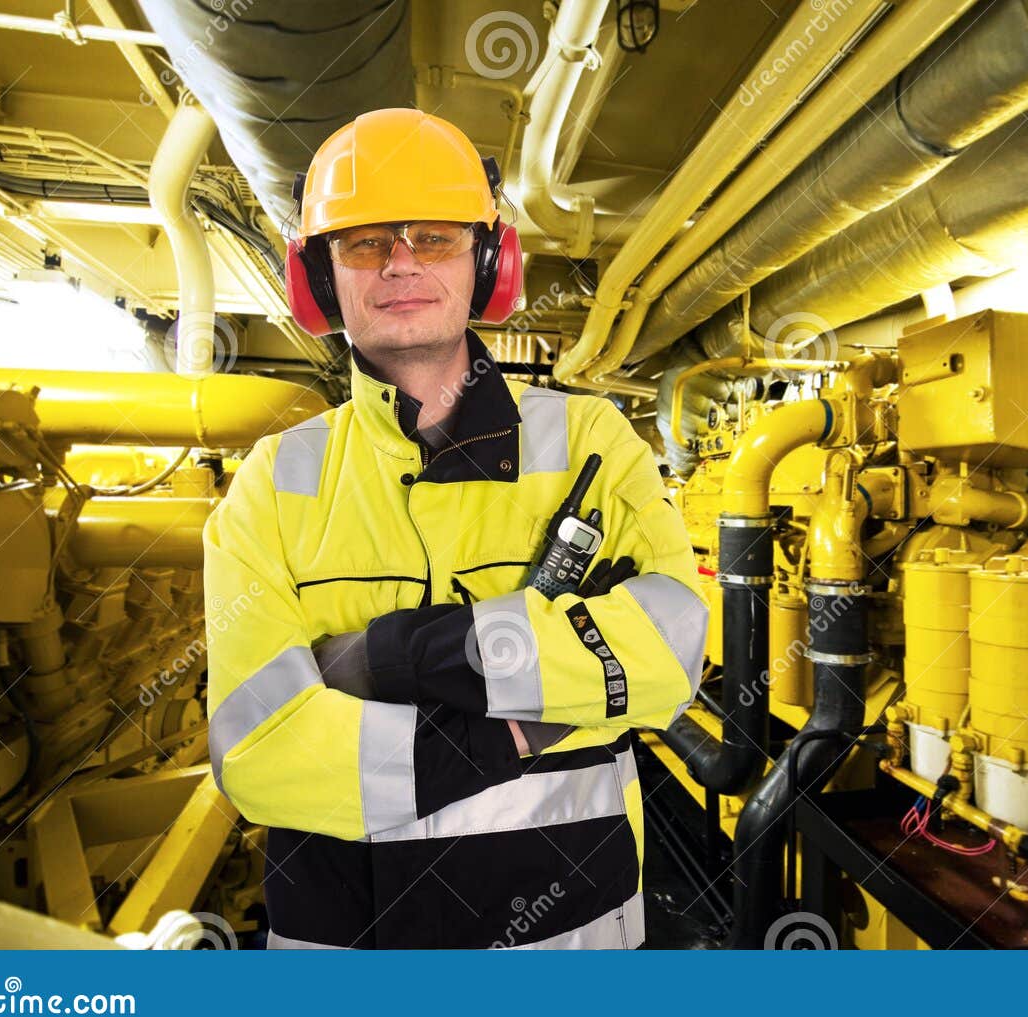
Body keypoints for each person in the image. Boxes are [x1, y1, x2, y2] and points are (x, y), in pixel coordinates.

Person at [202, 108, 706, 949]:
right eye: (364, 242)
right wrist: (525, 719)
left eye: (433, 237)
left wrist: (403, 655)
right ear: (321, 281)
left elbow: (670, 653)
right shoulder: (272, 481)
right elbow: (257, 752)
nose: (399, 262)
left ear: (489, 264)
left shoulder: (592, 441)